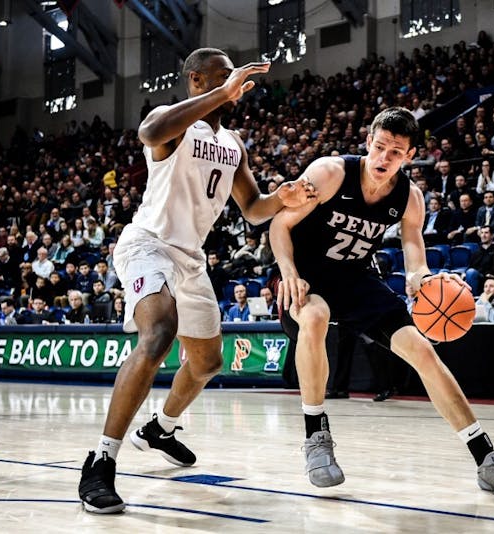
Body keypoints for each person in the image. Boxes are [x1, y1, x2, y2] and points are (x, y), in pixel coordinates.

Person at [78, 47, 317, 514]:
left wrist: (282, 197)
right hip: (147, 244)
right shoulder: (171, 121)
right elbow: (148, 132)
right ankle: (100, 461)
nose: (236, 86)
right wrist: (222, 94)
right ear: (196, 80)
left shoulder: (234, 145)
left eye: (236, 80)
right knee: (160, 335)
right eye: (224, 77)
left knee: (208, 362)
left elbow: (252, 209)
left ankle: (160, 428)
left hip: (190, 258)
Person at [270, 107, 494, 497]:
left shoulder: (410, 198)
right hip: (303, 275)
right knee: (317, 315)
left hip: (356, 279)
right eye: (379, 147)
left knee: (423, 351)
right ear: (369, 142)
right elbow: (279, 224)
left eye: (395, 152)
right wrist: (288, 270)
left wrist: (422, 280)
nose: (384, 158)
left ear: (409, 156)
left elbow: (414, 254)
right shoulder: (331, 173)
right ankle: (315, 436)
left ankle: (486, 460)